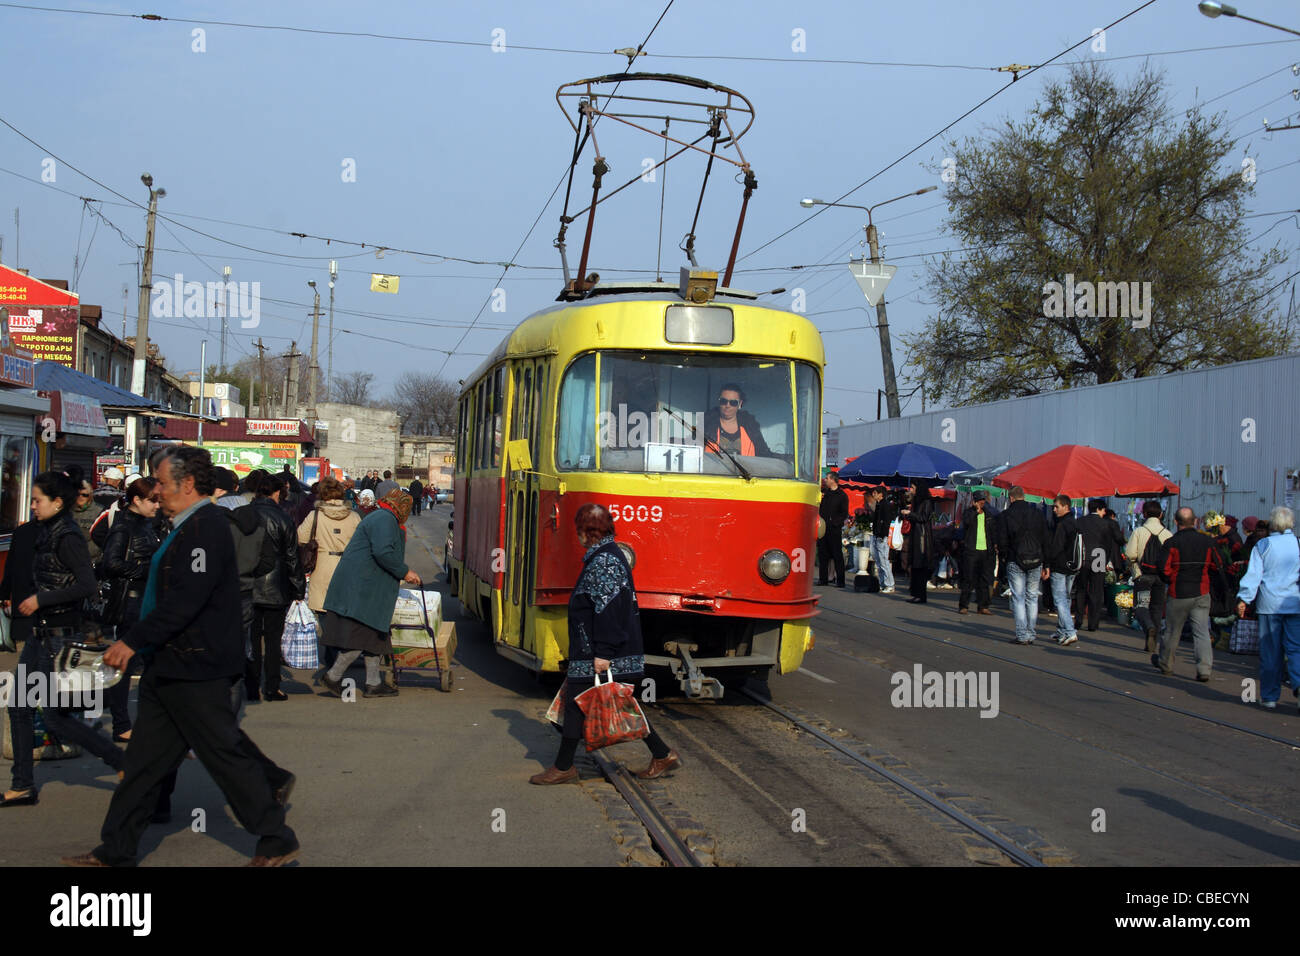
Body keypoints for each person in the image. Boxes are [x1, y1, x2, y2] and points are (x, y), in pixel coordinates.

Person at [62, 446, 299, 866]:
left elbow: (187, 598)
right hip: (170, 665)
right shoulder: (183, 526)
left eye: (160, 482)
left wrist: (133, 640)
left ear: (186, 484)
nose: (155, 490)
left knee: (223, 756)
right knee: (143, 765)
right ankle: (115, 850)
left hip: (196, 665)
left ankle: (275, 836)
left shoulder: (205, 528)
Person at [530, 503, 679, 784]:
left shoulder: (605, 562)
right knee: (617, 705)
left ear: (588, 532)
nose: (578, 536)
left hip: (599, 653)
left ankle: (564, 767)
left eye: (579, 531)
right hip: (594, 651)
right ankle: (662, 754)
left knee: (578, 704)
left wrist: (603, 653)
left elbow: (609, 609)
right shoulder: (604, 556)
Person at [3, 471, 125, 808]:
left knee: (55, 715)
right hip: (41, 633)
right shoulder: (45, 532)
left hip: (58, 637)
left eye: (37, 500)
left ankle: (120, 762)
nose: (32, 506)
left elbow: (87, 584)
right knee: (19, 707)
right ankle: (23, 784)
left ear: (58, 502)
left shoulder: (67, 536)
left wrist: (40, 600)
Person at [319, 488, 419, 699]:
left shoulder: (382, 516)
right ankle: (333, 676)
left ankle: (373, 683)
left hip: (367, 585)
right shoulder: (385, 519)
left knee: (375, 636)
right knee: (362, 637)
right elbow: (383, 551)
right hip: (364, 587)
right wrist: (405, 572)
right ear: (399, 506)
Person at [99, 477, 164, 743]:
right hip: (130, 602)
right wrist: (144, 571)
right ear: (137, 500)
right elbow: (110, 563)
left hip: (144, 600)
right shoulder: (124, 527)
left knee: (145, 662)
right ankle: (121, 724)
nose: (157, 505)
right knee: (127, 665)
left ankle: (140, 720)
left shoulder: (148, 524)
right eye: (153, 500)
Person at [245, 470, 305, 702]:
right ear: (276, 493)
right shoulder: (283, 519)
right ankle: (272, 688)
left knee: (251, 639)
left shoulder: (245, 514)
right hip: (276, 588)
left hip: (247, 585)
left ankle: (251, 687)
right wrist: (298, 588)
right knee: (273, 641)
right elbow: (292, 557)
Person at [1236, 506, 1300, 709]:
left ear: (1273, 523)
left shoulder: (1263, 545)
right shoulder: (1298, 544)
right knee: (1296, 648)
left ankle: (1270, 696)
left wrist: (1244, 599)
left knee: (1271, 651)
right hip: (1294, 603)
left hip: (1269, 605)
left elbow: (1254, 575)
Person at [298, 477, 361, 673]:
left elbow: (300, 536)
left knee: (324, 613)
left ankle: (330, 651)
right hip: (347, 568)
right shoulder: (353, 516)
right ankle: (342, 650)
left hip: (323, 567)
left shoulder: (315, 515)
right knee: (343, 613)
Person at [1153, 507, 1221, 682]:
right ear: (1196, 521)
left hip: (1178, 592)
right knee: (1201, 632)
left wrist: (1171, 580)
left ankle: (1166, 664)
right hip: (1201, 592)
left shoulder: (1172, 543)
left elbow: (1163, 568)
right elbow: (1218, 565)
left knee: (1172, 631)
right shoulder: (1207, 542)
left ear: (1176, 522)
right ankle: (1204, 669)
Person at [997, 485, 1048, 645]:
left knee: (1018, 597)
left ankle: (1021, 634)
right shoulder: (1037, 514)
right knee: (1032, 597)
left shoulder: (1005, 516)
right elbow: (1045, 538)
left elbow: (1002, 540)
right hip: (1036, 560)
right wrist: (1045, 562)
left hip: (1015, 559)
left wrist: (1005, 557)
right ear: (1024, 497)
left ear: (1011, 498)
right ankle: (1031, 633)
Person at [1126, 500, 1173, 654]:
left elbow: (1130, 554)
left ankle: (1148, 627)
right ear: (1161, 514)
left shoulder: (1139, 531)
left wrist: (1133, 569)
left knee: (1141, 606)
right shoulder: (1167, 534)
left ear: (1144, 514)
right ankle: (1152, 639)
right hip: (1160, 577)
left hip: (1142, 576)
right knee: (1157, 608)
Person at [1075, 498, 1126, 632]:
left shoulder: (1080, 522)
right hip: (1099, 559)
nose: (1104, 513)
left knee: (1081, 589)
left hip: (1082, 559)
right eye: (1103, 510)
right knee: (1096, 591)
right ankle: (1093, 623)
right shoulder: (1107, 524)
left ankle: (1079, 620)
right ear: (1099, 509)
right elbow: (1119, 540)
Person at [1045, 494, 1081, 646]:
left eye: (1056, 507)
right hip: (1071, 566)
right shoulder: (1074, 522)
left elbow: (1056, 547)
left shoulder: (1062, 524)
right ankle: (1062, 631)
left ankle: (1070, 631)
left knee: (1060, 599)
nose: (1054, 510)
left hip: (1059, 566)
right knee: (1065, 598)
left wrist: (1047, 563)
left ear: (1066, 507)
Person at [702, 384, 771, 458]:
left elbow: (764, 454)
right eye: (723, 401)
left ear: (740, 404)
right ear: (719, 402)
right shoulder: (705, 424)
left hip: (745, 469)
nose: (727, 405)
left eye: (733, 402)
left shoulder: (751, 426)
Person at [958, 491, 995, 615]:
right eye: (979, 501)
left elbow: (993, 530)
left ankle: (983, 605)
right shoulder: (969, 513)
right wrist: (975, 512)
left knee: (984, 580)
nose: (981, 503)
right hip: (972, 550)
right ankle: (964, 605)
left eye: (983, 501)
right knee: (968, 579)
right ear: (974, 501)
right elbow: (967, 523)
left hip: (985, 550)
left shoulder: (988, 514)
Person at [902, 485, 936, 604]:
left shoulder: (926, 502)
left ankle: (920, 595)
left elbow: (923, 518)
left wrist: (910, 514)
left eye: (913, 488)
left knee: (920, 566)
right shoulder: (917, 501)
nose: (911, 490)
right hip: (915, 535)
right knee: (915, 567)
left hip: (922, 537)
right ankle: (916, 593)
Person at [817, 472, 850, 588]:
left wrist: (835, 522)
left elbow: (844, 513)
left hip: (834, 529)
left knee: (837, 555)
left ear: (833, 480)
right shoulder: (824, 493)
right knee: (823, 554)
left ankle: (840, 580)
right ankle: (823, 579)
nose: (825, 480)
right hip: (822, 528)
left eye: (827, 478)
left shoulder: (842, 495)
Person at [867, 486, 896, 593]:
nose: (873, 494)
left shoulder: (885, 505)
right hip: (877, 535)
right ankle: (883, 583)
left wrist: (882, 535)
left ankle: (890, 584)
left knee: (884, 561)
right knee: (879, 562)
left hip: (881, 537)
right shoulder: (879, 505)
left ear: (881, 494)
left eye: (875, 493)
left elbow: (886, 522)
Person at [71, 478, 104, 561]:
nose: (80, 497)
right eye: (78, 494)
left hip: (93, 560)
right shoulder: (68, 511)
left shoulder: (99, 511)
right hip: (72, 558)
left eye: (84, 495)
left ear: (90, 495)